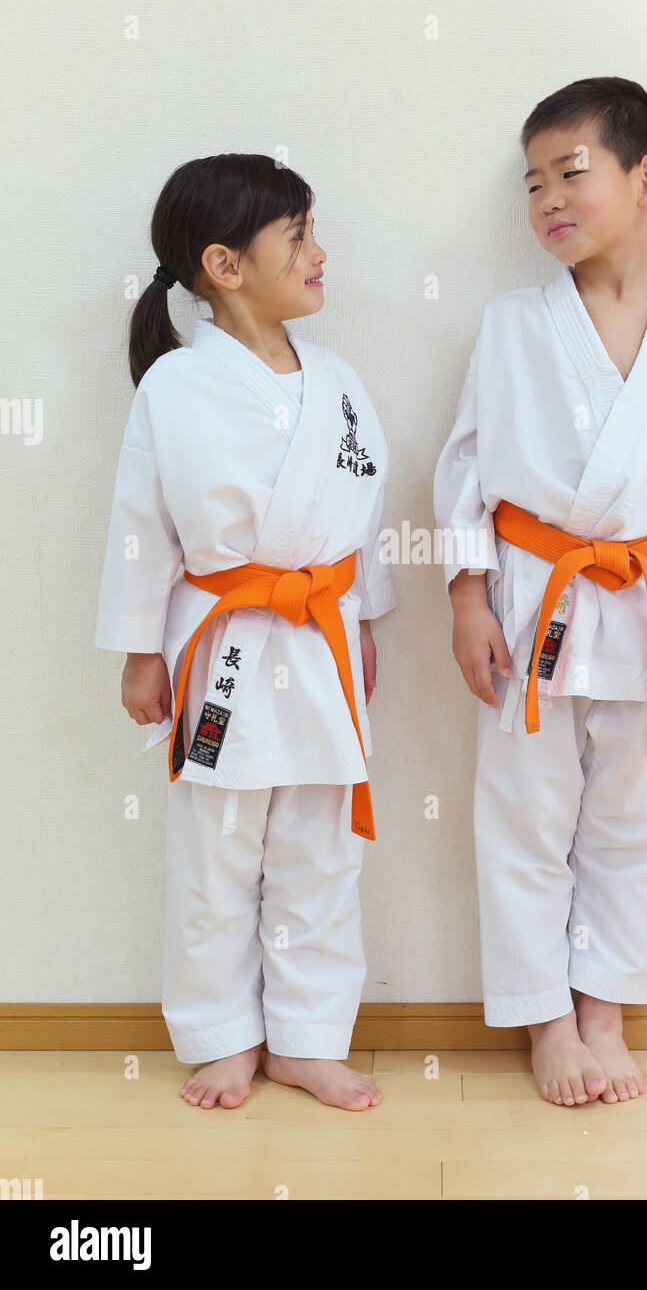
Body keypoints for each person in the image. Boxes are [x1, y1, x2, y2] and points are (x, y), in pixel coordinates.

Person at [433, 77, 647, 1106]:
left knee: (637, 822)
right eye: (532, 186)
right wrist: (466, 597)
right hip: (533, 599)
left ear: (646, 179)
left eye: (568, 173)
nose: (546, 203)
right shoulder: (511, 325)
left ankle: (604, 1008)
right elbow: (462, 467)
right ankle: (543, 1020)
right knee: (523, 819)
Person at [95, 154, 396, 1111]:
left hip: (321, 639)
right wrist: (143, 648)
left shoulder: (338, 379)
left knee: (320, 849)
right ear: (225, 266)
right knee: (215, 853)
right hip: (222, 645)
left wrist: (366, 617)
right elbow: (142, 526)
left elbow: (364, 512)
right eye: (299, 235)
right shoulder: (175, 389)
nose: (320, 253)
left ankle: (308, 1037)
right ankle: (222, 1035)